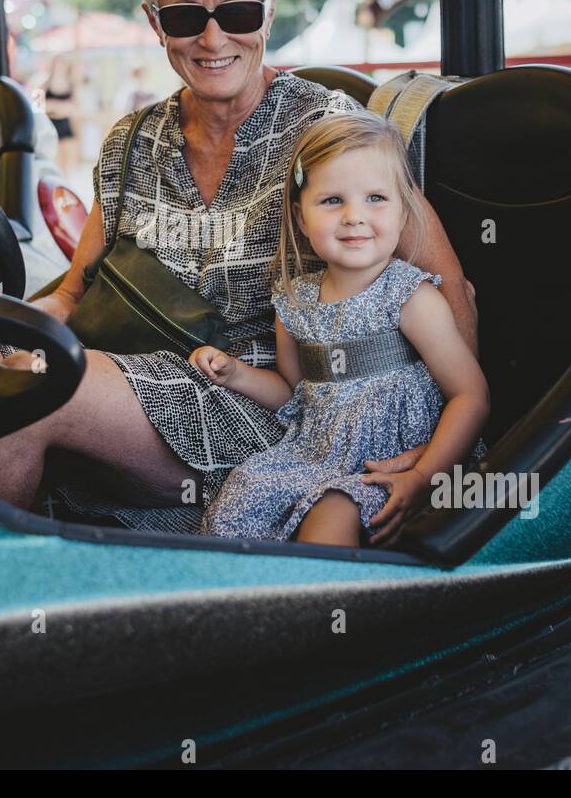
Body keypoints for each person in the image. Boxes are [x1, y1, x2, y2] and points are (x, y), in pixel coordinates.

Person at [0, 0, 478, 538]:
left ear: (270, 11)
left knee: (35, 387)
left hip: (272, 411)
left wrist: (439, 462)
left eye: (238, 12)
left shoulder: (329, 131)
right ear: (155, 23)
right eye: (184, 17)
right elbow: (73, 291)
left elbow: (449, 286)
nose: (212, 38)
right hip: (128, 374)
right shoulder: (130, 141)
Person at [195, 112, 487, 547]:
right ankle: (240, 605)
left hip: (388, 465)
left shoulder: (410, 297)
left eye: (375, 198)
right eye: (332, 201)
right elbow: (296, 392)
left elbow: (470, 396)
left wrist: (425, 476)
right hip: (311, 455)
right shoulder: (294, 302)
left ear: (404, 210)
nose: (354, 216)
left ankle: (323, 611)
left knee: (332, 512)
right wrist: (235, 374)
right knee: (237, 499)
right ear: (300, 217)